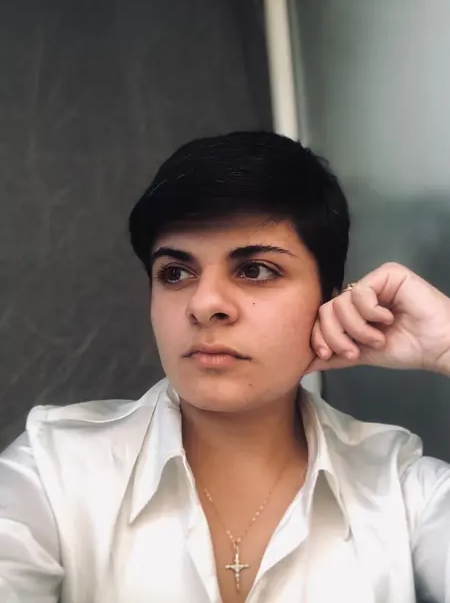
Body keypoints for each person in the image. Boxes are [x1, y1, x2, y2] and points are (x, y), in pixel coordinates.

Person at [0, 131, 449, 603]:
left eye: (255, 270)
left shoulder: (398, 487)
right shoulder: (54, 472)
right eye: (175, 273)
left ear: (330, 298)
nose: (204, 304)